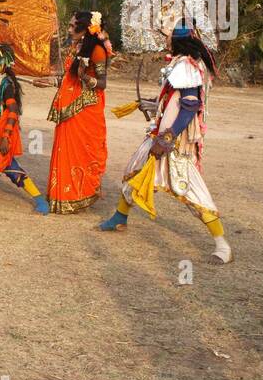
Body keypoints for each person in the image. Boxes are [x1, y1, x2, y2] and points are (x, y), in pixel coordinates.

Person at [99, 23, 232, 263]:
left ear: (179, 42)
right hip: (158, 137)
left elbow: (190, 106)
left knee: (192, 193)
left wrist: (168, 138)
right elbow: (174, 100)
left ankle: (222, 246)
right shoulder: (181, 64)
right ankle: (119, 218)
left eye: (169, 37)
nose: (166, 40)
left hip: (174, 143)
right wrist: (151, 104)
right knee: (134, 173)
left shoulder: (188, 67)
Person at [0, 42, 50, 214]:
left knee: (11, 168)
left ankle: (38, 198)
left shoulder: (5, 84)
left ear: (3, 62)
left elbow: (13, 110)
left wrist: (5, 136)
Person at [47, 11, 110, 213]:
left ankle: (79, 195)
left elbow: (102, 84)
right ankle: (62, 197)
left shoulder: (97, 51)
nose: (69, 29)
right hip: (69, 108)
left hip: (85, 110)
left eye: (73, 26)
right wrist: (49, 82)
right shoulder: (76, 47)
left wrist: (85, 78)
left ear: (84, 29)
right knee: (64, 151)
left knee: (82, 153)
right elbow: (68, 78)